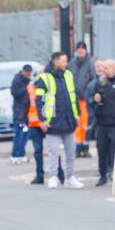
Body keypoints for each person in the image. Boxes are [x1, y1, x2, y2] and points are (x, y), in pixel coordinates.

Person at [33, 52, 81, 189]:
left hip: (69, 120)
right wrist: (42, 120)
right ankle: (53, 176)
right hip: (52, 121)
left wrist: (76, 115)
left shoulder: (68, 75)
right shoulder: (44, 78)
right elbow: (39, 101)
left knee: (71, 151)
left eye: (66, 61)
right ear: (55, 61)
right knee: (53, 151)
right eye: (63, 61)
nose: (66, 64)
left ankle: (70, 177)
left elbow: (74, 96)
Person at [92, 58, 115, 187]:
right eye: (102, 68)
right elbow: (92, 100)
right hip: (101, 124)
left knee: (114, 151)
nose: (103, 70)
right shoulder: (99, 82)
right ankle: (102, 175)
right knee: (101, 150)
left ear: (114, 68)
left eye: (106, 68)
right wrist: (94, 99)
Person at [70, 42, 95, 158]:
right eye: (78, 48)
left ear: (85, 50)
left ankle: (85, 148)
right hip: (74, 99)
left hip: (85, 99)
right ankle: (76, 148)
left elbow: (93, 79)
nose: (80, 50)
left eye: (82, 48)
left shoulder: (90, 63)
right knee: (76, 123)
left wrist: (87, 93)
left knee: (85, 123)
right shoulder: (71, 64)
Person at [9, 63, 32, 164]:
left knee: (25, 134)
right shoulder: (17, 80)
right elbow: (14, 93)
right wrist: (26, 88)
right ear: (23, 71)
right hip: (19, 114)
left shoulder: (27, 80)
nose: (28, 74)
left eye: (29, 73)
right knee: (19, 134)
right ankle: (15, 155)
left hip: (26, 113)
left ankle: (21, 154)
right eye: (27, 73)